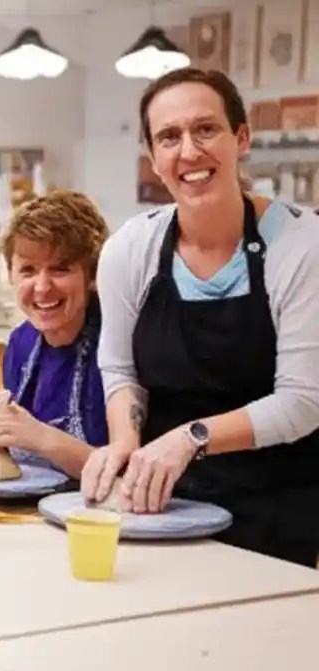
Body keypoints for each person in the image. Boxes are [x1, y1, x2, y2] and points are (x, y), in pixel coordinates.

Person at [81, 68, 319, 567]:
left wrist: (191, 438)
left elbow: (303, 402)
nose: (189, 151)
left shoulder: (302, 246)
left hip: (277, 508)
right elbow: (120, 370)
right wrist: (124, 442)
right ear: (153, 157)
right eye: (169, 137)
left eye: (205, 129)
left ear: (241, 138)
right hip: (162, 500)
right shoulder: (131, 249)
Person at [0, 190, 109, 477]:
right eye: (28, 271)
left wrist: (42, 438)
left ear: (93, 275)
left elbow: (126, 471)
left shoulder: (117, 345)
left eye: (60, 269)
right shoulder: (21, 343)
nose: (42, 287)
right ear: (10, 274)